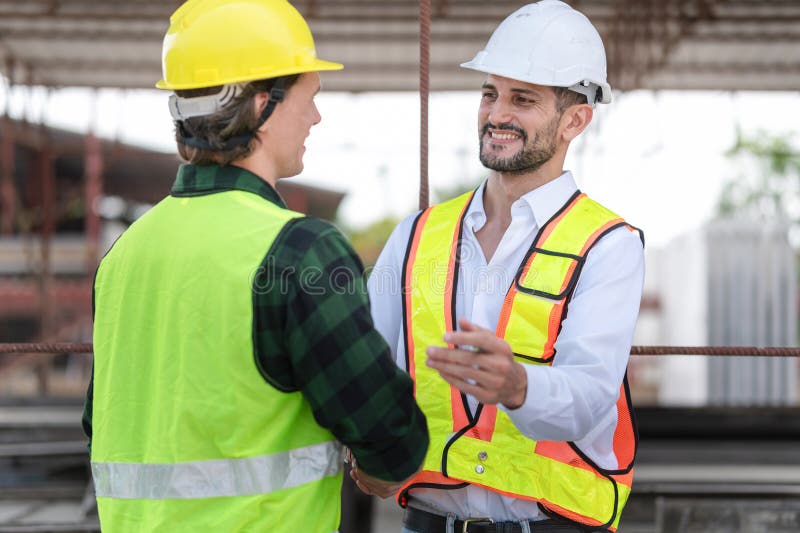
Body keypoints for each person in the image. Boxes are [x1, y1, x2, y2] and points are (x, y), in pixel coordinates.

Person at [82, 1, 428, 531]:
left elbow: (101, 420)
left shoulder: (124, 255)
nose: (316, 117)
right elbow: (386, 433)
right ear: (264, 105)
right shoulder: (298, 251)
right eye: (310, 98)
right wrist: (384, 468)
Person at [359, 1, 644, 532]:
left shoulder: (608, 246)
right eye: (490, 93)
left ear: (575, 120)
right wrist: (367, 450)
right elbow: (369, 369)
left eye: (523, 99)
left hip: (550, 523)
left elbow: (588, 397)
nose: (496, 114)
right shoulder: (417, 235)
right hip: (427, 521)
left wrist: (517, 386)